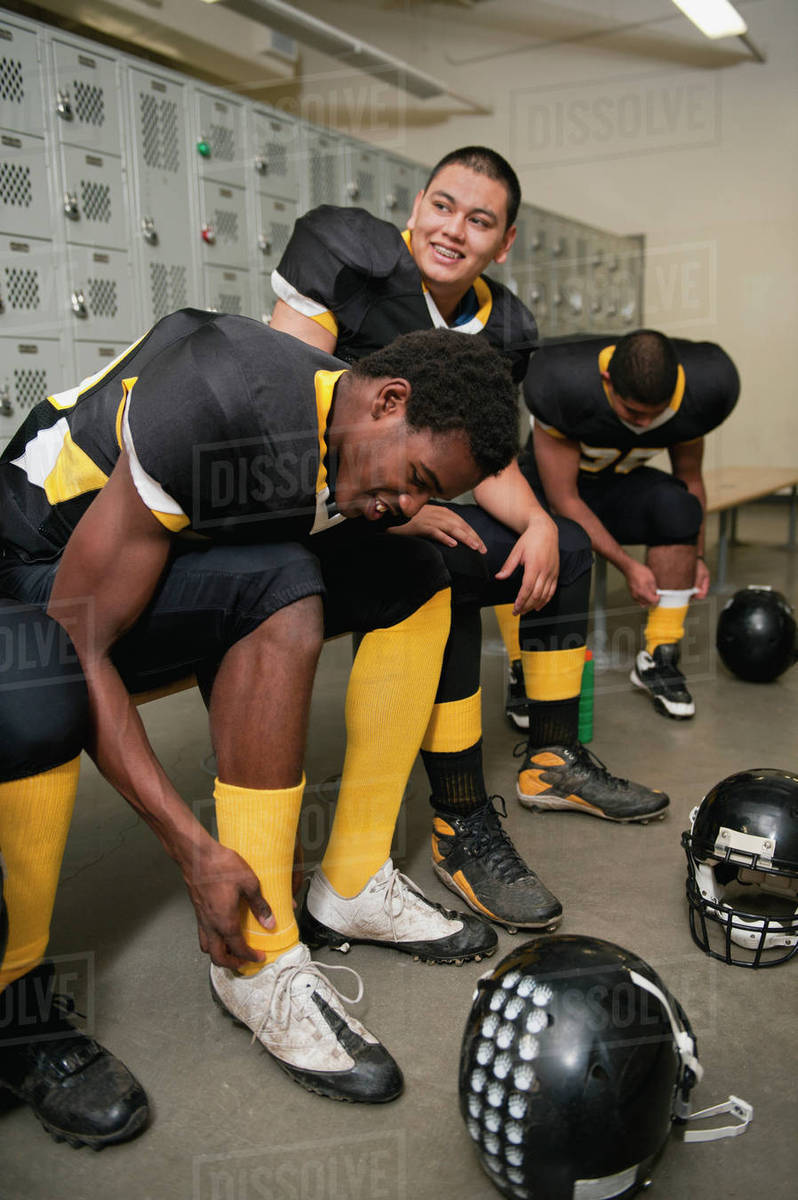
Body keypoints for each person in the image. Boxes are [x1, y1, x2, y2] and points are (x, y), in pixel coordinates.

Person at [0, 312, 519, 1133]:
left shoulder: (344, 417)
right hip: (33, 578)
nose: (408, 499)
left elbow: (297, 494)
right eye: (414, 475)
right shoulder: (219, 401)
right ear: (388, 400)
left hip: (155, 558)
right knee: (277, 581)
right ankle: (255, 951)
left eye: (431, 490)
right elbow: (77, 642)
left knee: (419, 569)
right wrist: (194, 850)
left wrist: (396, 505)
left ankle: (349, 882)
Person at [270, 146, 668, 938]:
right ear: (417, 204)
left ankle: (553, 761)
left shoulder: (506, 322)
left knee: (567, 548)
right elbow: (285, 412)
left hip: (405, 504)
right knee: (436, 561)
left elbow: (482, 460)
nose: (454, 231)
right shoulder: (349, 261)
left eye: (479, 220)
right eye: (444, 206)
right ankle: (458, 822)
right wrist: (398, 505)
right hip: (312, 507)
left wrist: (541, 521)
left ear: (505, 241)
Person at [520, 328, 740, 719]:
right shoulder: (564, 386)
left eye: (656, 414)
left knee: (678, 506)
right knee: (530, 530)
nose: (645, 423)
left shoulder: (694, 396)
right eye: (634, 412)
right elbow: (564, 498)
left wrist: (698, 556)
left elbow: (692, 477)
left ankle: (659, 656)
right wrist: (628, 566)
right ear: (606, 382)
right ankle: (524, 667)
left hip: (617, 484)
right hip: (553, 493)